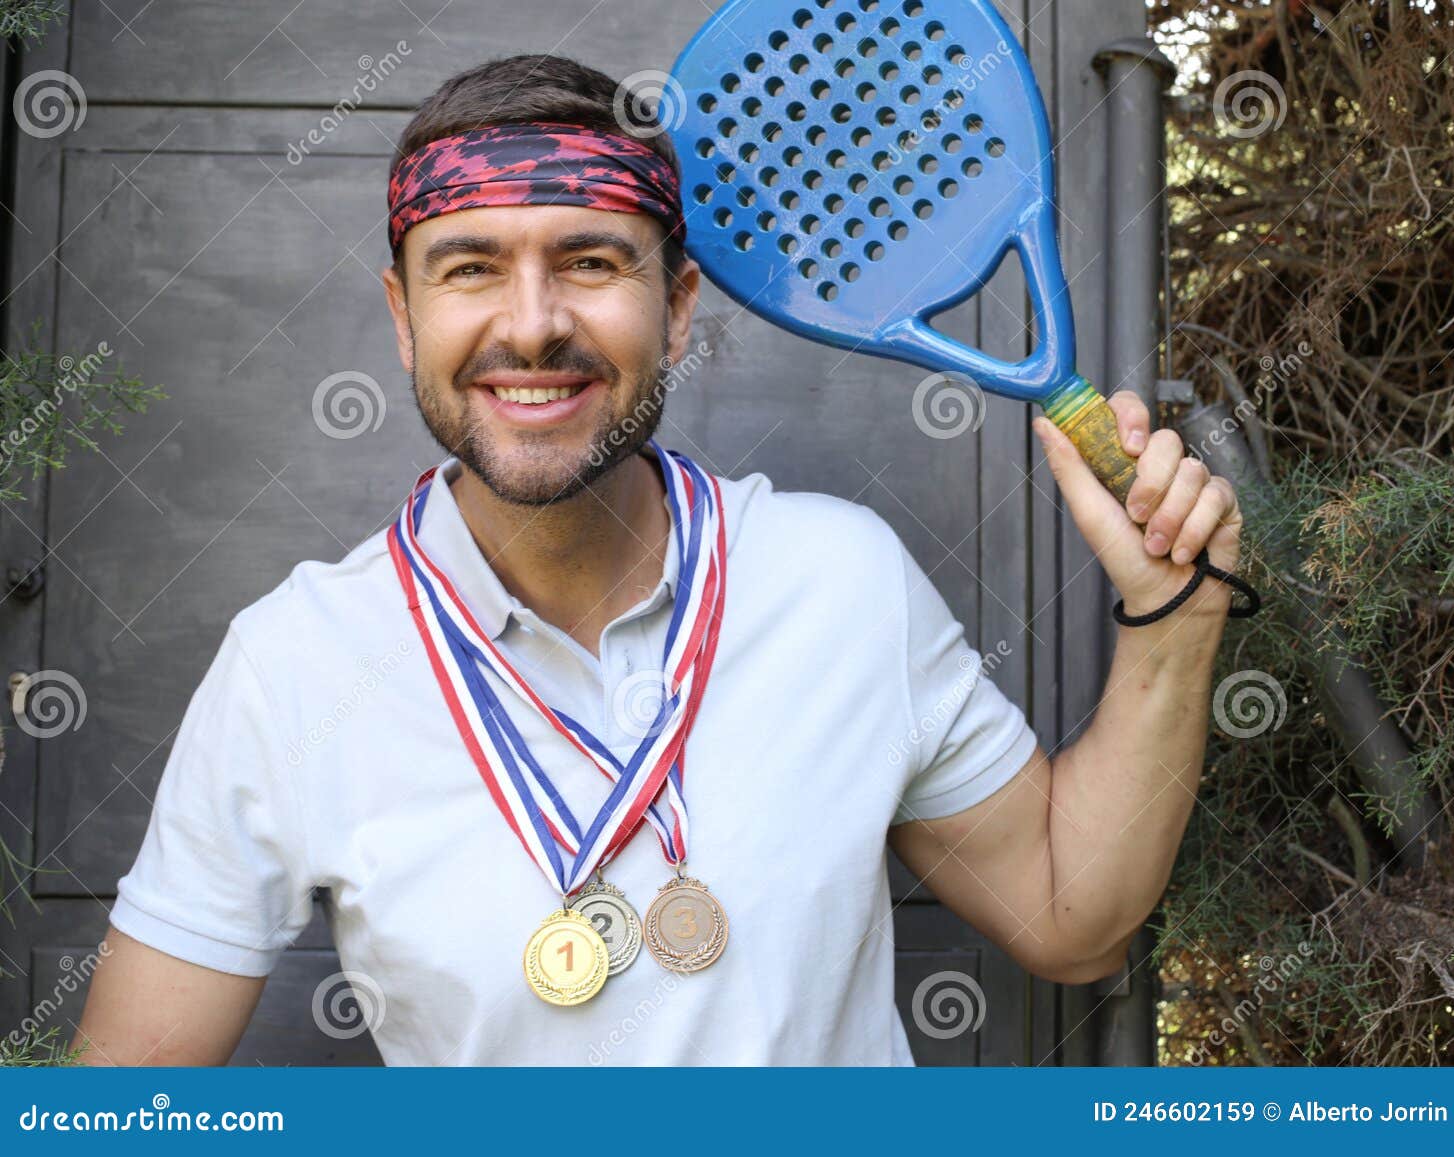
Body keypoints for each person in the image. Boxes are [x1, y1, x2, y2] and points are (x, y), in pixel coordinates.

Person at [70, 54, 1244, 1066]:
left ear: (678, 306)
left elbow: (1068, 915)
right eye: (470, 266)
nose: (530, 323)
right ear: (402, 314)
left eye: (589, 261)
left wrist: (1175, 619)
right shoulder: (293, 668)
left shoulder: (841, 581)